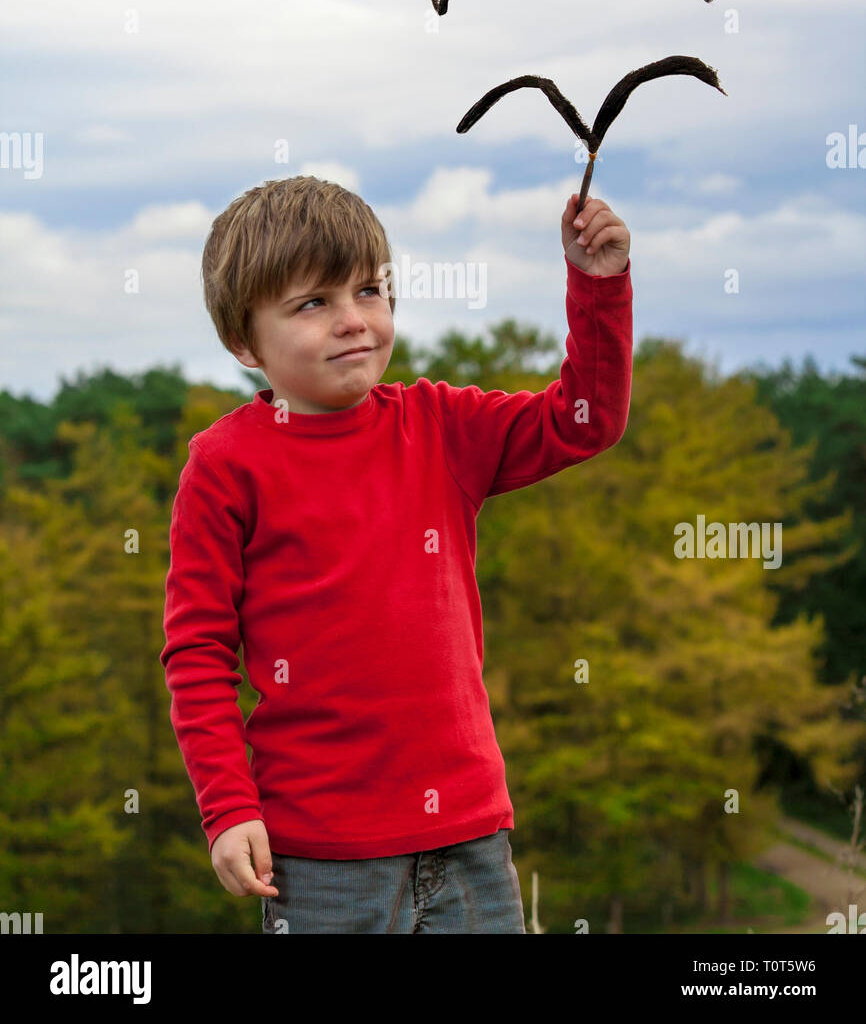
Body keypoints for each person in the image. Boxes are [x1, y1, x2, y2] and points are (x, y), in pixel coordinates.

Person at [160, 174, 632, 933]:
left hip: (471, 836)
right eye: (314, 303)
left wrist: (599, 287)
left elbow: (585, 421)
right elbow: (197, 651)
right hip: (317, 860)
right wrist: (226, 809)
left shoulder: (441, 426)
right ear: (243, 341)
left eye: (370, 291)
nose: (353, 320)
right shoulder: (224, 466)